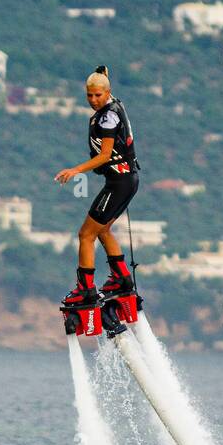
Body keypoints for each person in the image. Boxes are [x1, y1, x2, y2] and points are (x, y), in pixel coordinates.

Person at [54, 65, 140, 307]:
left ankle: (85, 291)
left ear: (107, 92)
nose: (93, 100)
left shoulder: (108, 118)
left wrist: (75, 170)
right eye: (89, 95)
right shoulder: (114, 103)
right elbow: (105, 85)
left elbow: (104, 156)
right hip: (126, 180)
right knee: (102, 230)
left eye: (98, 95)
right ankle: (122, 279)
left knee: (85, 234)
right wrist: (102, 74)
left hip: (119, 183)